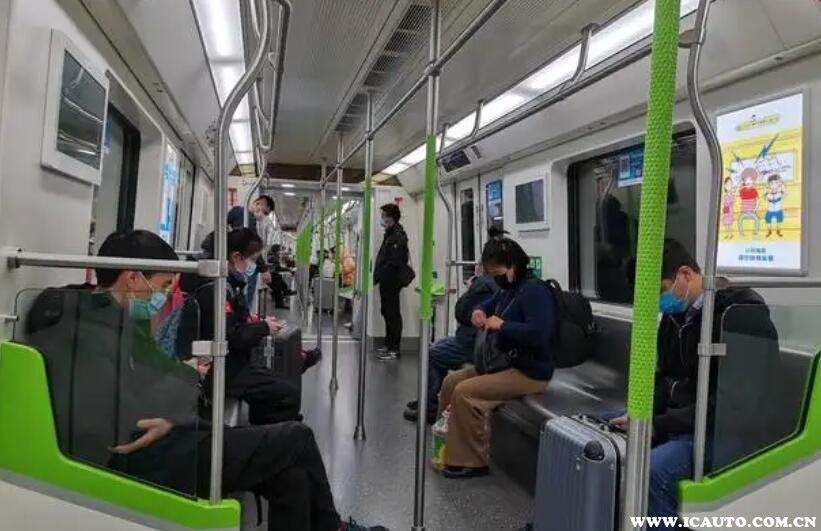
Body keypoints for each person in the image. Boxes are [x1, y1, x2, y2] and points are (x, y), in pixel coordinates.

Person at [26, 230, 386, 531]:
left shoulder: (112, 320)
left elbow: (154, 371)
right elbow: (105, 421)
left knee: (291, 479)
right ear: (132, 278)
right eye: (162, 286)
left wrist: (176, 396)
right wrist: (171, 414)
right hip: (149, 457)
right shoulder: (86, 332)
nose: (163, 297)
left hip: (169, 431)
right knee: (297, 436)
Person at [609, 239, 771, 527]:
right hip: (687, 419)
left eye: (660, 291)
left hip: (728, 432)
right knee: (601, 425)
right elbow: (663, 378)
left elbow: (735, 408)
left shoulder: (741, 318)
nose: (659, 302)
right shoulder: (676, 317)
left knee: (653, 472)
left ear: (685, 274)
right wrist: (642, 413)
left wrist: (658, 425)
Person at [438, 238, 556, 479]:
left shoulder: (535, 291)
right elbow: (486, 305)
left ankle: (472, 460)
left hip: (529, 371)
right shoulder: (508, 290)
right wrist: (478, 312)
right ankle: (446, 447)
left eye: (497, 272)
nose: (495, 278)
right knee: (451, 382)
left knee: (465, 392)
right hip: (503, 364)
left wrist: (503, 326)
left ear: (513, 265)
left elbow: (541, 333)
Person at [182, 228, 302, 425]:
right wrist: (263, 328)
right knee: (287, 394)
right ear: (236, 257)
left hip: (229, 359)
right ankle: (269, 435)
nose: (252, 266)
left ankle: (268, 427)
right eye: (252, 260)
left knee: (278, 382)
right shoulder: (214, 289)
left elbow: (230, 322)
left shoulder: (223, 283)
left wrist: (252, 320)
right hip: (220, 367)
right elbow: (232, 336)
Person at [403, 263, 499, 424]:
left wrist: (472, 287)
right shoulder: (501, 286)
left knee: (431, 355)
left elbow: (461, 312)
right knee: (438, 346)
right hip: (483, 343)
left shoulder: (482, 285)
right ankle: (427, 398)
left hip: (472, 344)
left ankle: (430, 409)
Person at [373, 203, 410, 361]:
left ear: (391, 217)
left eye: (383, 215)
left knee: (393, 314)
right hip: (386, 280)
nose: (381, 219)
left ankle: (394, 349)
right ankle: (388, 344)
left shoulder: (397, 236)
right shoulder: (389, 234)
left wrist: (379, 274)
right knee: (386, 312)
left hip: (392, 281)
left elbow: (394, 262)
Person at [228, 195, 276, 307]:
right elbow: (252, 247)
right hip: (240, 261)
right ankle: (246, 313)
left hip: (234, 259)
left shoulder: (236, 211)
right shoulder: (248, 219)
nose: (264, 216)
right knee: (247, 289)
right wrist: (264, 270)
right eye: (265, 212)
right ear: (259, 204)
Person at [268, 243, 297, 309]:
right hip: (270, 276)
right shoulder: (273, 257)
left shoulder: (273, 256)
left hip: (272, 275)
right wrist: (288, 269)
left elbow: (276, 268)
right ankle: (285, 292)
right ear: (276, 250)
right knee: (277, 280)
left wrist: (287, 269)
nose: (281, 251)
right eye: (280, 250)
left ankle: (285, 291)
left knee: (278, 278)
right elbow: (278, 268)